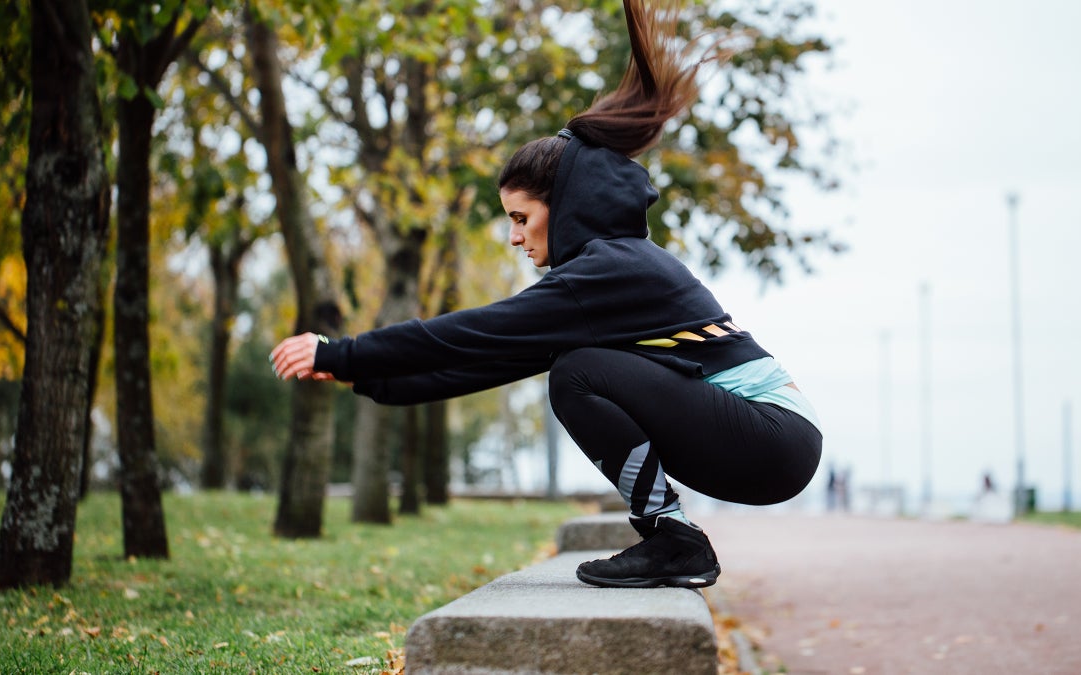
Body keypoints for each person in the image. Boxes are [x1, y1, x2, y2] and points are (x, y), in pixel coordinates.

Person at [269, 0, 822, 589]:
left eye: (520, 217)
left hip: (771, 437)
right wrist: (375, 381)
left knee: (576, 372)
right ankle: (673, 538)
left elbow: (472, 330)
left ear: (562, 207)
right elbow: (495, 358)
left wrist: (341, 352)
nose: (512, 237)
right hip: (767, 443)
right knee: (569, 364)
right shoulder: (606, 272)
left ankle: (674, 541)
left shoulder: (610, 271)